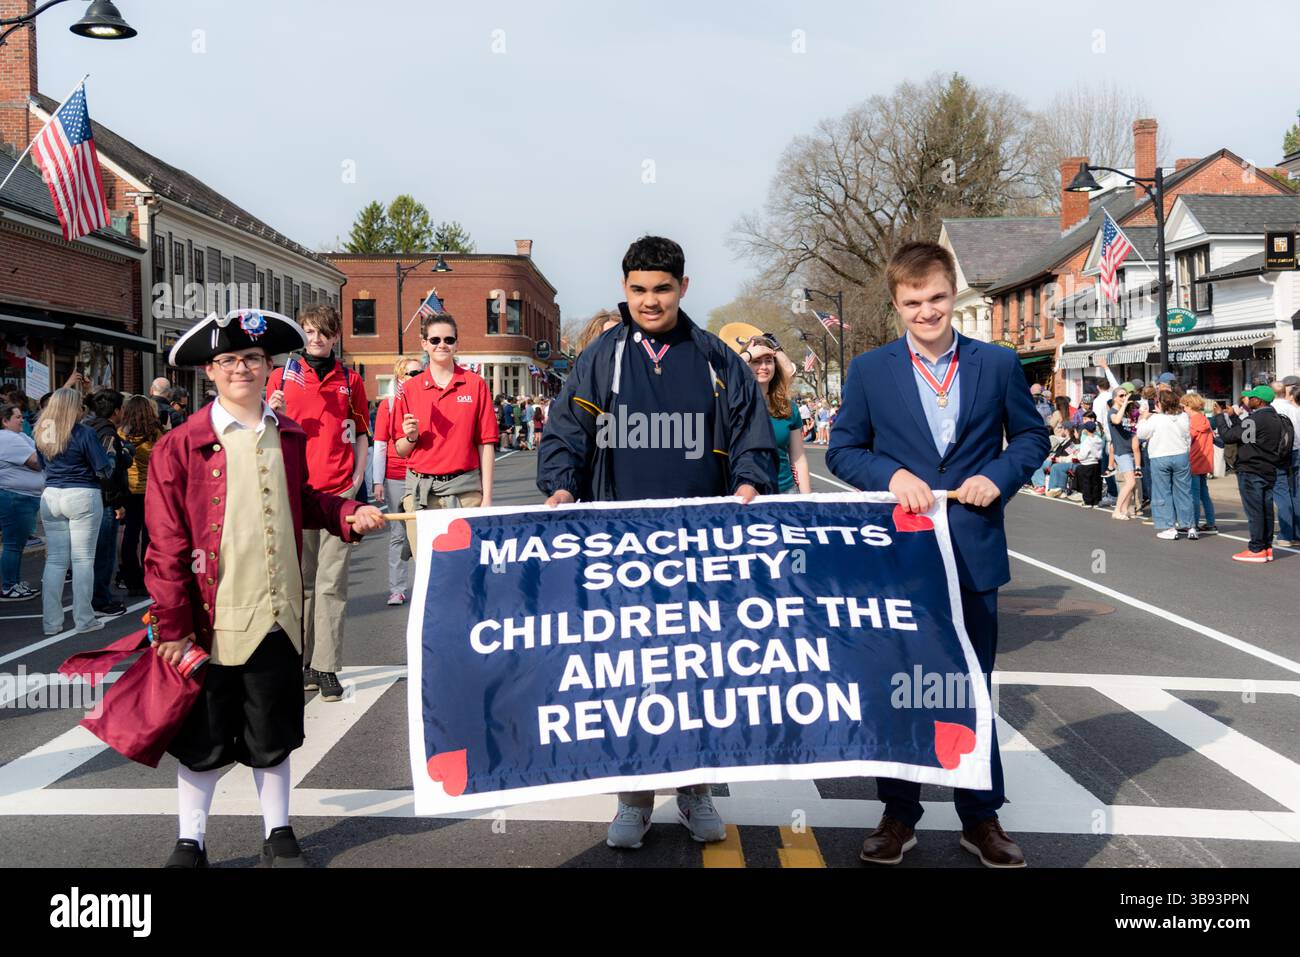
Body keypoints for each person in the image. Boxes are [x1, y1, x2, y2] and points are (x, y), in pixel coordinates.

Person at [537, 234, 777, 850]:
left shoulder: (716, 358)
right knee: (633, 676)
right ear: (625, 289)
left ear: (683, 289)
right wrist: (561, 487)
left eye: (662, 289)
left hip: (703, 548)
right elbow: (568, 429)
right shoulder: (604, 357)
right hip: (620, 547)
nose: (650, 300)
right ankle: (634, 797)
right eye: (639, 289)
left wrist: (750, 484)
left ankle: (695, 790)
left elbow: (753, 435)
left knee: (696, 675)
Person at [826, 240, 1048, 869]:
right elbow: (844, 449)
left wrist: (999, 476)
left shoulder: (998, 363)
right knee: (904, 684)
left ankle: (982, 817)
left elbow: (1031, 436)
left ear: (954, 294)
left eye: (937, 299)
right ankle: (899, 814)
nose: (927, 312)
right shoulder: (871, 370)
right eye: (913, 302)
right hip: (903, 552)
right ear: (896, 305)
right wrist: (891, 475)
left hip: (973, 549)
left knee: (972, 685)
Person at [145, 307, 385, 868]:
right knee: (202, 741)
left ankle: (278, 831)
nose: (240, 369)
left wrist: (347, 511)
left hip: (277, 615)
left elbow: (303, 501)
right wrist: (174, 624)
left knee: (272, 732)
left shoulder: (290, 436)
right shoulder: (179, 446)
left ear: (268, 366)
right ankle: (191, 839)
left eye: (251, 358)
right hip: (210, 620)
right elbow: (164, 546)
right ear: (209, 371)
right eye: (227, 360)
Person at [266, 303, 370, 703]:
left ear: (336, 336)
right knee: (299, 584)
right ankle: (301, 661)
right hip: (293, 490)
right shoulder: (282, 376)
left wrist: (360, 474)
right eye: (309, 331)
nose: (316, 339)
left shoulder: (350, 379)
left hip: (338, 493)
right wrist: (270, 411)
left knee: (332, 583)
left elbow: (362, 431)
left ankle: (325, 666)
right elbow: (261, 428)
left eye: (323, 332)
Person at [392, 314, 498, 557]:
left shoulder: (475, 384)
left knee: (464, 571)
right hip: (420, 494)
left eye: (449, 339)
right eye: (435, 339)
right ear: (424, 343)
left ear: (457, 344)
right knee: (427, 575)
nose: (442, 345)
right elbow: (400, 449)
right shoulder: (409, 388)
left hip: (466, 493)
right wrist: (410, 437)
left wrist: (487, 497)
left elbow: (487, 444)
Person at [35, 388, 114, 634]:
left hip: (51, 494)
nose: (83, 409)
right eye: (80, 405)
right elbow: (104, 470)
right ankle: (84, 619)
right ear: (72, 408)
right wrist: (111, 455)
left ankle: (51, 622)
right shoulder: (85, 433)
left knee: (56, 561)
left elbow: (41, 464)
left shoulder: (41, 432)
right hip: (82, 494)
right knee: (82, 561)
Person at [1215, 386, 1289, 562]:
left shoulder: (1256, 418)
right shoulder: (1275, 418)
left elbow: (1228, 436)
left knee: (1255, 511)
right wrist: (1233, 416)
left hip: (1251, 469)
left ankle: (1256, 549)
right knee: (1266, 510)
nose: (1249, 400)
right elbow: (1246, 434)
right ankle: (1266, 547)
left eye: (1252, 398)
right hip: (1269, 468)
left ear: (1260, 401)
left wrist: (1220, 416)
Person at [371, 356, 421, 605]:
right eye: (412, 373)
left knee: (424, 533)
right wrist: (377, 480)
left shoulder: (426, 398)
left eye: (419, 372)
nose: (417, 376)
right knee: (399, 533)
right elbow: (379, 444)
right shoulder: (389, 405)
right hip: (395, 474)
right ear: (400, 377)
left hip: (423, 475)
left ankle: (426, 585)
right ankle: (397, 588)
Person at [82, 388, 132, 616]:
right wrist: (117, 501)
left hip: (86, 496)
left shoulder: (87, 427)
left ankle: (92, 597)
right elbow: (107, 471)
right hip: (103, 500)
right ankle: (100, 600)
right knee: (104, 553)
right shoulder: (107, 432)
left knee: (88, 553)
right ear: (117, 410)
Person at [739, 334, 811, 493]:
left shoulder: (789, 407)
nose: (763, 367)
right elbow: (722, 372)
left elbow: (799, 460)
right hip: (745, 495)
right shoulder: (733, 405)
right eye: (756, 361)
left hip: (785, 492)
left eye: (768, 361)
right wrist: (747, 354)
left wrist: (807, 501)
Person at [117, 395, 163, 597]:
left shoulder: (120, 434)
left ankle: (131, 579)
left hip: (129, 489)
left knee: (130, 535)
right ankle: (148, 577)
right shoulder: (155, 435)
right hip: (151, 490)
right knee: (149, 537)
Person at [1136, 389, 1194, 540]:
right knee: (1184, 491)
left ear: (1160, 404)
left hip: (1160, 456)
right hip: (1181, 455)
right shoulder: (1183, 417)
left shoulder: (1156, 419)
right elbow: (1188, 436)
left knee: (1163, 492)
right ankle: (1189, 526)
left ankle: (1169, 527)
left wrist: (1143, 418)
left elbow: (1141, 434)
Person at [0, 401, 44, 600]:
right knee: (13, 544)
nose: (22, 420)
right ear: (5, 421)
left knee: (16, 545)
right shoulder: (7, 438)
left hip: (24, 497)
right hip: (16, 498)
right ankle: (9, 585)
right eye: (17, 417)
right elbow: (36, 462)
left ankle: (15, 582)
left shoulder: (20, 436)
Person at [1181, 393, 1218, 534]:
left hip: (1194, 460)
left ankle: (1193, 524)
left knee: (1194, 495)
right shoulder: (1203, 419)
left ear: (1189, 406)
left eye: (1184, 406)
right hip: (1204, 460)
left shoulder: (1194, 421)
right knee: (1203, 494)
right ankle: (1210, 523)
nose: (1183, 408)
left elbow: (1187, 439)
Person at [1269, 379, 1300, 546]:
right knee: (1295, 492)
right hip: (1295, 451)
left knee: (1281, 492)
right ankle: (1297, 533)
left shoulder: (1272, 409)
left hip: (1278, 454)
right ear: (1284, 392)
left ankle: (1286, 535)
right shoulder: (1293, 408)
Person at [1107, 384, 1140, 520]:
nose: (1124, 397)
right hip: (1121, 451)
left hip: (1129, 450)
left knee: (1131, 484)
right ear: (1115, 398)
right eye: (1121, 396)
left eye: (1125, 395)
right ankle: (1116, 511)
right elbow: (1116, 420)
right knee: (1130, 482)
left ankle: (1124, 509)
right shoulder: (1112, 412)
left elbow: (1130, 430)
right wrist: (1125, 403)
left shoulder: (1124, 411)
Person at [1074, 418, 1104, 508]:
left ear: (1086, 430)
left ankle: (1088, 502)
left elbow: (1083, 455)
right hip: (1096, 462)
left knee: (1086, 483)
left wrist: (1077, 455)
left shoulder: (1086, 441)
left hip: (1087, 464)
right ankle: (1096, 501)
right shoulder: (1098, 440)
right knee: (1095, 482)